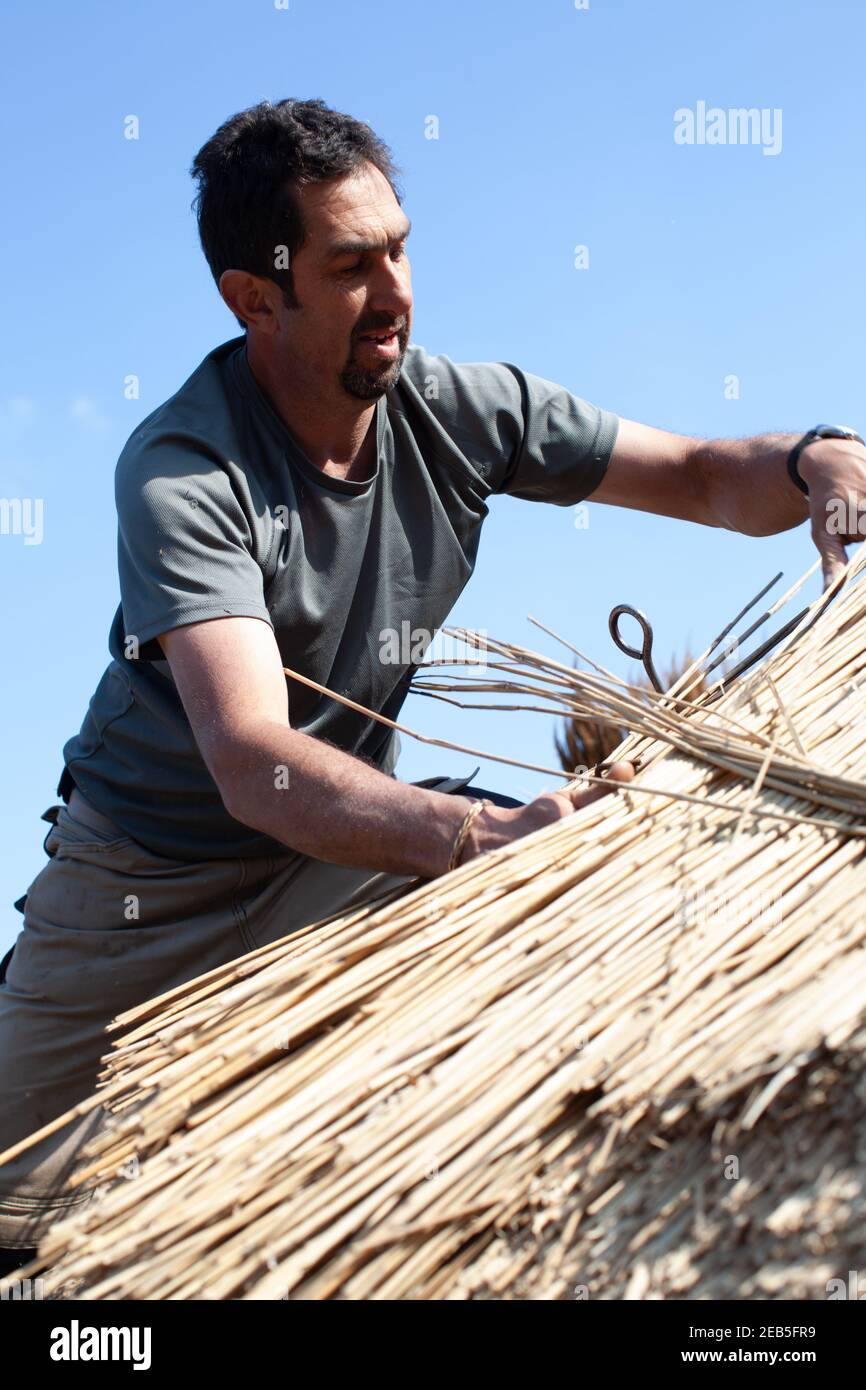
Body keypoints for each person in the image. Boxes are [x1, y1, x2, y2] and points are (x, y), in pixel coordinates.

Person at [1, 97, 863, 1271]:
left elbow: (705, 478)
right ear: (256, 297)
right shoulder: (184, 471)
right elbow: (253, 757)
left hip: (337, 854)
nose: (397, 292)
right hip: (145, 885)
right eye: (350, 266)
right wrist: (482, 833)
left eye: (400, 247)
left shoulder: (459, 412)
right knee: (13, 1202)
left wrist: (815, 455)